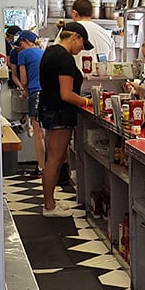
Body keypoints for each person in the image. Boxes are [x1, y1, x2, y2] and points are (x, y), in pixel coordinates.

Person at [38, 23, 94, 216]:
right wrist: (88, 101)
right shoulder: (64, 58)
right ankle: (49, 206)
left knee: (56, 157)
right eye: (82, 43)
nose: (81, 49)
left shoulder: (50, 52)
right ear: (74, 37)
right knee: (54, 159)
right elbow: (66, 94)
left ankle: (50, 201)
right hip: (59, 112)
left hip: (49, 109)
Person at [15, 30, 46, 179]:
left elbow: (24, 79)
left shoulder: (23, 55)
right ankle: (52, 167)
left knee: (38, 134)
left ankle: (42, 167)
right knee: (48, 132)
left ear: (27, 41)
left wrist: (24, 90)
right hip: (49, 94)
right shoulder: (43, 52)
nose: (19, 48)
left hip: (36, 93)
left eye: (20, 44)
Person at [70, 0, 116, 72]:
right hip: (100, 82)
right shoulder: (105, 34)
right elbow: (111, 66)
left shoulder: (68, 31)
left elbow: (56, 58)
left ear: (74, 13)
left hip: (73, 81)